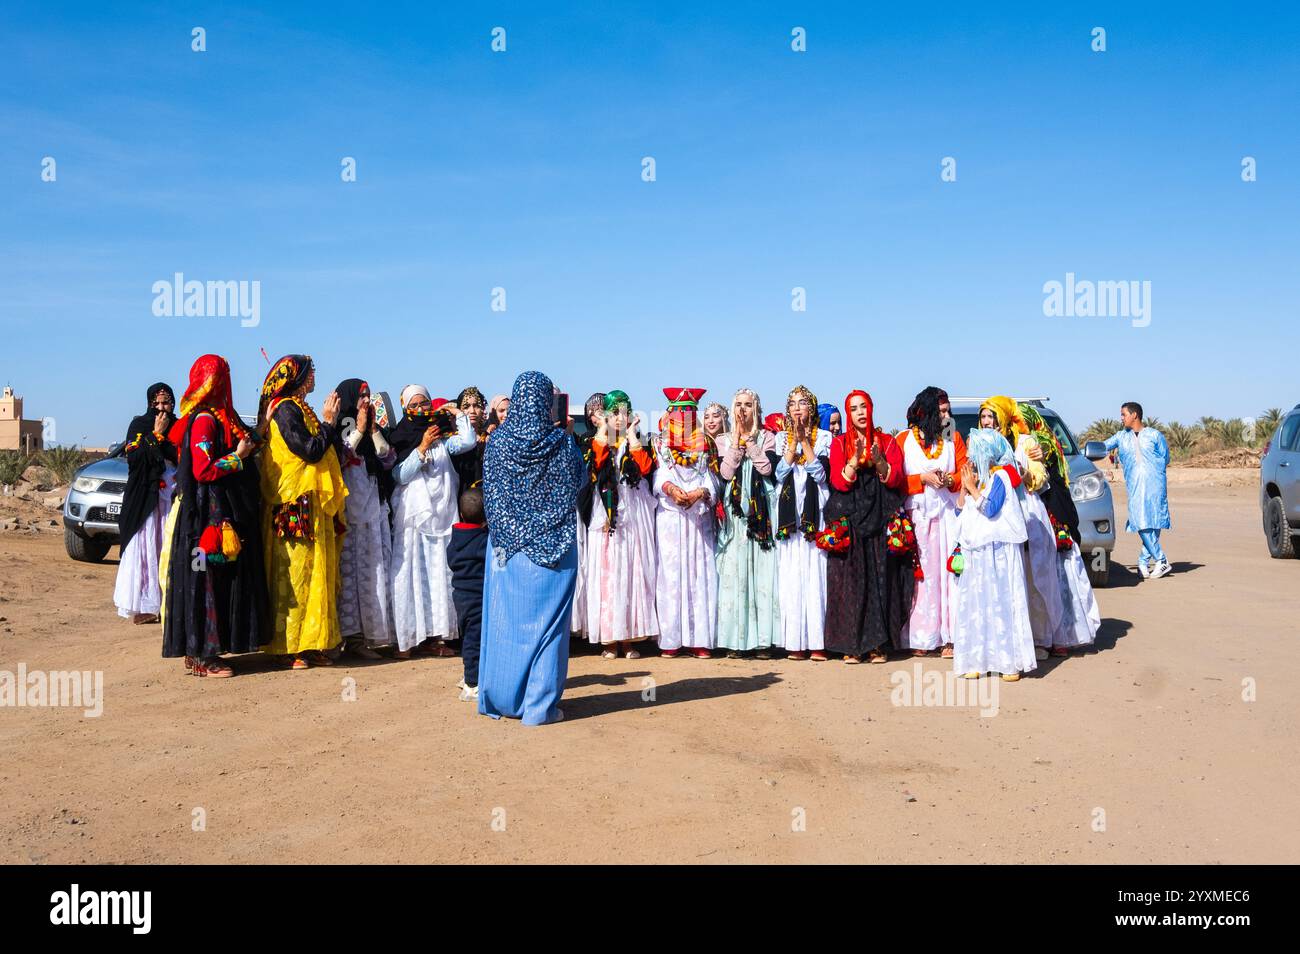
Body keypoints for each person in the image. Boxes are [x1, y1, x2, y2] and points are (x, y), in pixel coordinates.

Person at [478, 371, 586, 725]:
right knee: (549, 630)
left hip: (507, 552)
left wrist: (513, 532)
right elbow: (578, 485)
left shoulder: (496, 444)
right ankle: (540, 707)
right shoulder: (562, 444)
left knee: (506, 625)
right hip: (554, 551)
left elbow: (490, 499)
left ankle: (505, 699)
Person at [159, 355, 268, 677]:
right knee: (203, 580)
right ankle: (202, 655)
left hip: (219, 510)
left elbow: (249, 444)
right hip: (205, 515)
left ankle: (206, 651)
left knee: (217, 580)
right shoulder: (205, 420)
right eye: (222, 377)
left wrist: (261, 425)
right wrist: (237, 457)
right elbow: (204, 469)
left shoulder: (224, 417)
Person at [257, 354, 348, 669]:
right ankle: (289, 646)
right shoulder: (285, 410)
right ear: (296, 378)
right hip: (294, 502)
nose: (313, 376)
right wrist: (328, 422)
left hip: (313, 502)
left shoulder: (299, 408)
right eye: (310, 372)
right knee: (293, 576)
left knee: (314, 573)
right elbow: (309, 450)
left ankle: (312, 644)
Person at [823, 389, 913, 663]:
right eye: (854, 408)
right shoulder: (839, 444)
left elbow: (897, 478)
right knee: (851, 582)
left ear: (871, 409)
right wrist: (855, 459)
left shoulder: (886, 442)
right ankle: (852, 645)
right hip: (851, 518)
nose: (860, 412)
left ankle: (877, 645)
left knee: (880, 580)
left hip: (880, 516)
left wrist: (878, 461)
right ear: (848, 413)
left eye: (864, 407)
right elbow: (839, 483)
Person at [575, 390, 659, 658]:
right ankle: (610, 640)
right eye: (614, 412)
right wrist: (603, 430)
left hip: (633, 516)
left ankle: (629, 640)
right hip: (606, 517)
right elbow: (595, 464)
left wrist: (632, 434)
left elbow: (645, 468)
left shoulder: (637, 442)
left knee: (632, 571)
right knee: (608, 573)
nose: (619, 417)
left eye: (624, 411)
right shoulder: (596, 441)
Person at [980, 395, 1063, 660]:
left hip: (1026, 510)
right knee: (1003, 576)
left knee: (1033, 574)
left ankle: (1039, 638)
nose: (987, 422)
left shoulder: (1024, 442)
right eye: (983, 417)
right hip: (995, 514)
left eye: (991, 417)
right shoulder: (981, 445)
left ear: (1002, 418)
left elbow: (1039, 478)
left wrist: (1021, 473)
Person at [952, 428, 1036, 682]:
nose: (969, 454)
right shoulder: (986, 479)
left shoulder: (1002, 478)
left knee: (1001, 603)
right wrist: (965, 490)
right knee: (980, 604)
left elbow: (989, 509)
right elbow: (963, 512)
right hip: (980, 554)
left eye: (974, 449)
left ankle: (1008, 662)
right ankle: (978, 658)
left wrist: (971, 488)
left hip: (998, 554)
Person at [387, 387, 461, 659]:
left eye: (425, 403)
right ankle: (406, 639)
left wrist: (458, 415)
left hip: (442, 517)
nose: (420, 409)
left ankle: (436, 638)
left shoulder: (442, 438)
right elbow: (400, 476)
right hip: (414, 519)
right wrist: (421, 447)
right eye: (414, 404)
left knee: (439, 576)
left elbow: (466, 442)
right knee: (411, 575)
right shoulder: (400, 436)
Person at [1021, 403, 1100, 653]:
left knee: (1060, 577)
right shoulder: (1011, 444)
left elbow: (1048, 479)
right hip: (1033, 519)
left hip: (1053, 516)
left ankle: (1062, 636)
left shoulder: (1042, 444)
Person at [895, 387, 965, 658]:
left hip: (947, 519)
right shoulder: (903, 440)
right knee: (921, 578)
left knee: (949, 576)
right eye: (942, 412)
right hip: (917, 520)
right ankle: (920, 637)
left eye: (948, 411)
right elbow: (895, 481)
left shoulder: (953, 439)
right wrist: (921, 479)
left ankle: (950, 637)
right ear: (926, 412)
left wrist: (948, 480)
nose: (947, 417)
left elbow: (964, 474)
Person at [652, 387, 719, 659]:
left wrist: (700, 493)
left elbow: (712, 479)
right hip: (670, 516)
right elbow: (659, 474)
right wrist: (670, 489)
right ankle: (671, 639)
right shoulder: (659, 442)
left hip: (698, 516)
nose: (684, 416)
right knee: (670, 575)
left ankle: (699, 639)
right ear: (671, 413)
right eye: (680, 411)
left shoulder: (707, 443)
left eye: (690, 411)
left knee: (699, 574)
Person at [334, 378, 398, 658]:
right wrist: (358, 429)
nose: (366, 402)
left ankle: (369, 638)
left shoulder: (375, 428)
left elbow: (388, 459)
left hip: (373, 510)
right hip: (347, 511)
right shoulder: (337, 427)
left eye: (369, 396)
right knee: (348, 575)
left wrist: (372, 431)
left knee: (373, 572)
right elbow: (341, 456)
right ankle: (347, 638)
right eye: (361, 397)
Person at [714, 388, 780, 658]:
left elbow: (766, 469)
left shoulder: (768, 437)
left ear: (757, 409)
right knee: (736, 574)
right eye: (739, 405)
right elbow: (726, 472)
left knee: (760, 574)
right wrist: (737, 442)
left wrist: (751, 442)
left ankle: (762, 642)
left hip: (761, 513)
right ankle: (735, 641)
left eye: (748, 405)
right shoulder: (723, 439)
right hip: (735, 515)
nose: (743, 410)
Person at [773, 385, 832, 660]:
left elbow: (820, 475)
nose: (797, 408)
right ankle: (794, 642)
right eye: (793, 404)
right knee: (791, 578)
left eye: (803, 403)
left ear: (812, 408)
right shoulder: (779, 439)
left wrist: (805, 442)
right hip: (788, 515)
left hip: (814, 514)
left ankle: (818, 643)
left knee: (815, 577)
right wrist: (793, 442)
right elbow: (779, 473)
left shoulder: (826, 439)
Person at [114, 383, 178, 624]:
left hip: (171, 495)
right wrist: (157, 435)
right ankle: (146, 604)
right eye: (157, 404)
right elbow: (135, 457)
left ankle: (170, 602)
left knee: (168, 546)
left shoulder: (179, 425)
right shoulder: (139, 425)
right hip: (145, 497)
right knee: (147, 547)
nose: (162, 409)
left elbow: (181, 454)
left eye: (166, 404)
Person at [1105, 402, 1172, 579]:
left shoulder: (1154, 435)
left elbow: (1165, 458)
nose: (1121, 418)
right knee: (1139, 520)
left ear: (1134, 415)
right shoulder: (1120, 437)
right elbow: (1102, 447)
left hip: (1155, 484)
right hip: (1135, 485)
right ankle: (1157, 559)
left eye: (1123, 414)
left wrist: (1152, 472)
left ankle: (1149, 562)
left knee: (1154, 522)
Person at [570, 391, 606, 637]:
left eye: (601, 410)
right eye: (591, 411)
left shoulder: (622, 438)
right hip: (588, 508)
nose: (595, 416)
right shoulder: (583, 440)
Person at [448, 485, 489, 701]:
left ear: (461, 514)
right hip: (478, 599)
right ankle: (472, 683)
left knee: (468, 639)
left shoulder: (455, 539)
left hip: (460, 598)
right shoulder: (483, 541)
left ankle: (469, 675)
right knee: (475, 641)